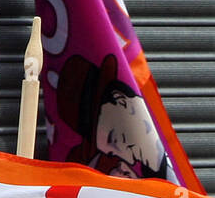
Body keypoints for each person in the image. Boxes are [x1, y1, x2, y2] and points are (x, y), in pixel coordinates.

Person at [55, 53, 176, 181]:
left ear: (120, 100)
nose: (126, 158)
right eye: (112, 153)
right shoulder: (155, 176)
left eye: (114, 138)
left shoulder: (165, 168)